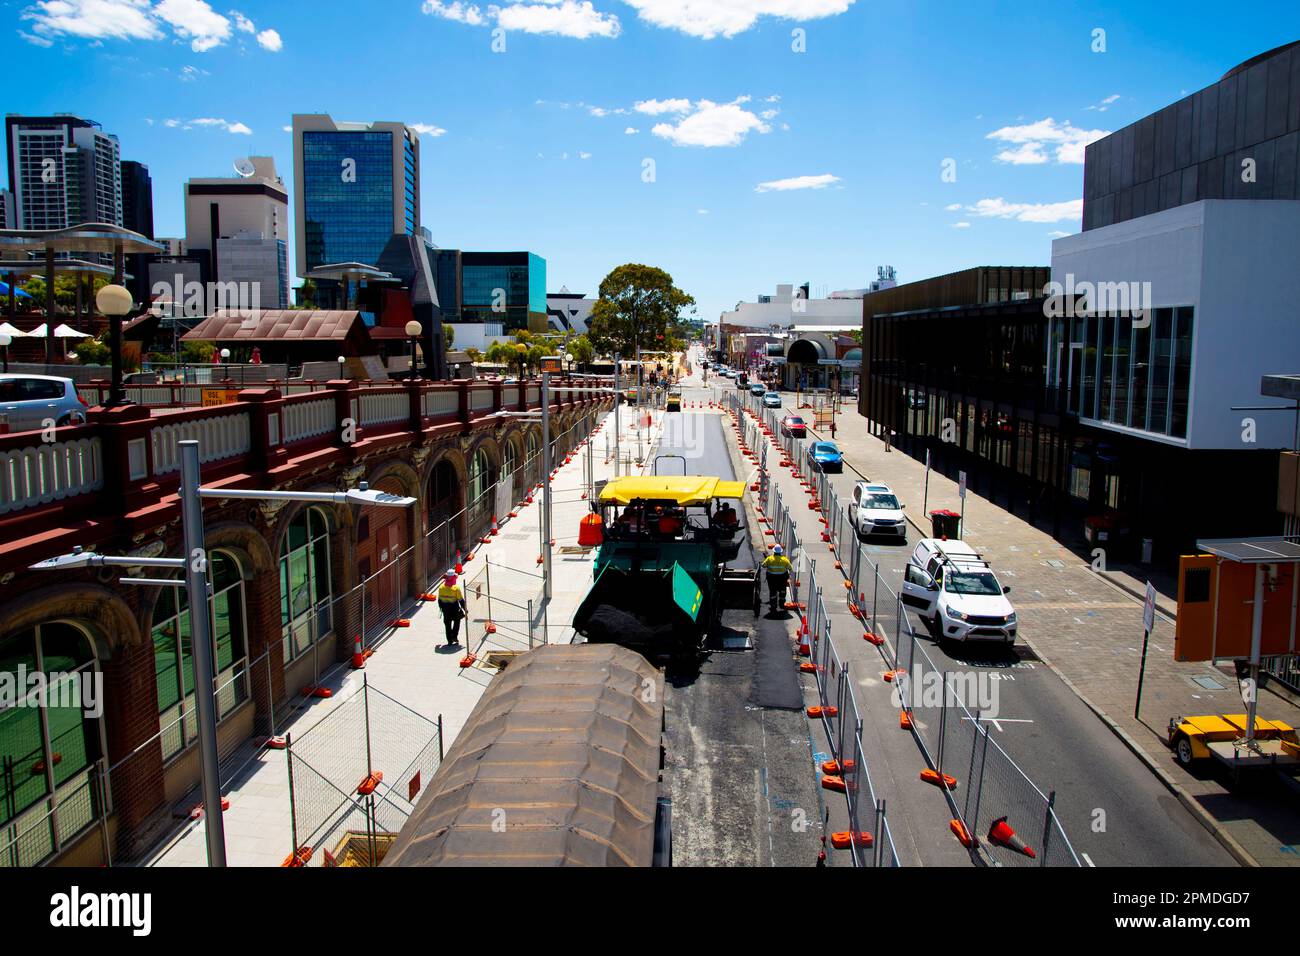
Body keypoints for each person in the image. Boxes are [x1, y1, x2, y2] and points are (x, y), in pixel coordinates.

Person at [437, 570, 467, 647]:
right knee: (457, 622)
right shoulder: (456, 588)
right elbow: (461, 600)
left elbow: (439, 600)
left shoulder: (441, 587)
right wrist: (465, 609)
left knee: (447, 625)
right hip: (454, 609)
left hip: (445, 609)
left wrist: (441, 608)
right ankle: (454, 636)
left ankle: (449, 640)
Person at [760, 545, 792, 609]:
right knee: (782, 591)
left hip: (772, 579)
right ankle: (781, 604)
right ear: (780, 552)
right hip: (782, 579)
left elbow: (763, 565)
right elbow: (790, 568)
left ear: (774, 552)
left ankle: (773, 605)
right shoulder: (785, 560)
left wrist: (767, 560)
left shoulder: (769, 559)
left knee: (773, 591)